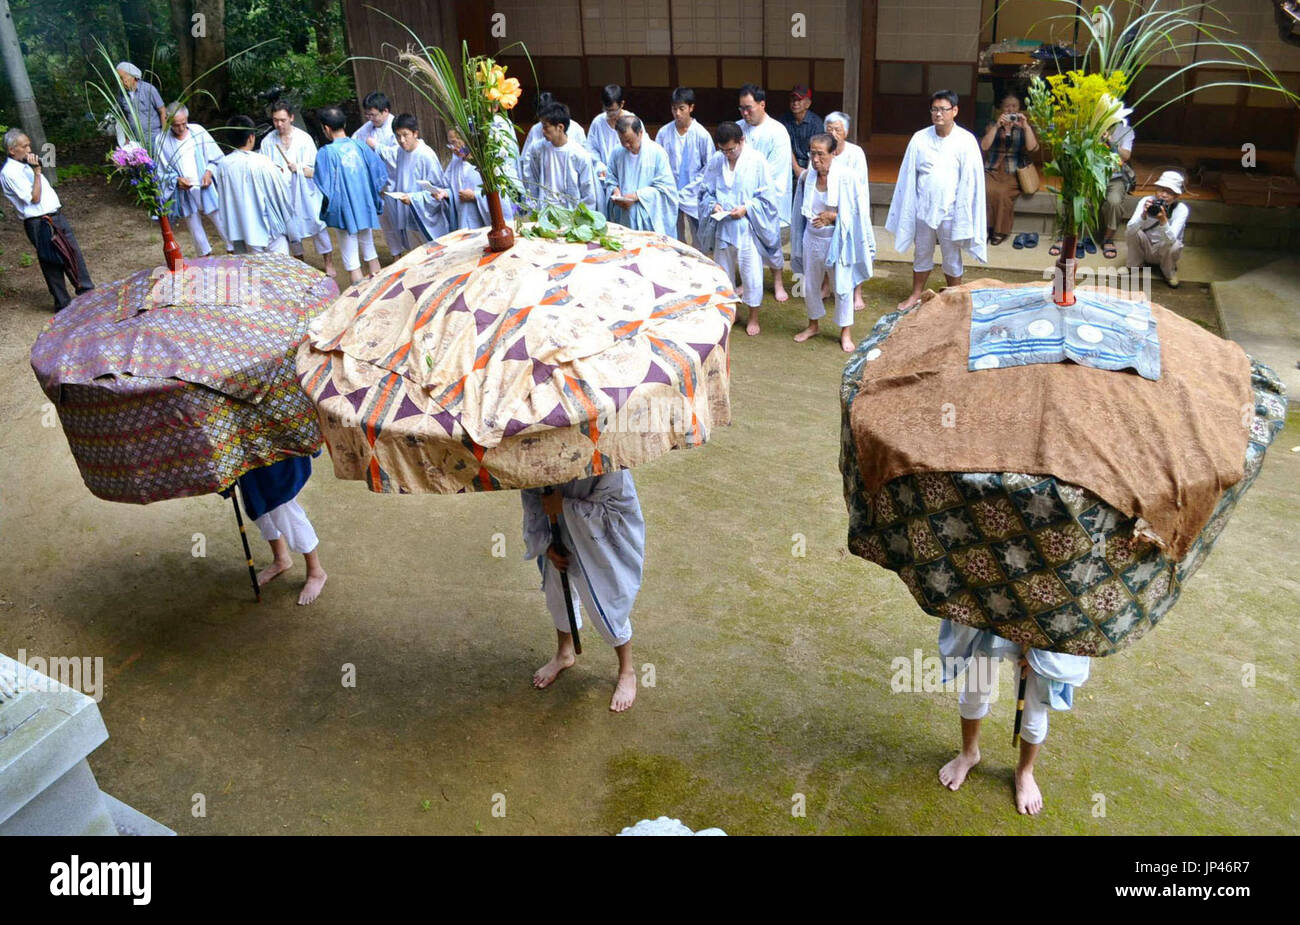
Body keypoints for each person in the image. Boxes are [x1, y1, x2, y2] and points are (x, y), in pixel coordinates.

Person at [935, 621, 1089, 816]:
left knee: (1032, 711)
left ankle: (1025, 770)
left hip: (1043, 628)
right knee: (976, 690)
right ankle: (968, 753)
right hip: (990, 612)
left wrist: (1044, 653)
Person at [522, 472, 644, 713]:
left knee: (610, 601)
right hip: (556, 531)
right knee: (558, 594)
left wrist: (564, 506)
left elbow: (618, 511)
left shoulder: (608, 460)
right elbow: (532, 500)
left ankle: (627, 670)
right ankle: (564, 653)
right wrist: (546, 546)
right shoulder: (533, 459)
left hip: (599, 543)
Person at [885, 90, 987, 311]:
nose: (938, 114)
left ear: (955, 111)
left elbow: (971, 181)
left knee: (951, 255)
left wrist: (964, 209)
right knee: (921, 252)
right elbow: (908, 175)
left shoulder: (966, 141)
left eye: (943, 109)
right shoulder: (920, 138)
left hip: (952, 209)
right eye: (934, 109)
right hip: (924, 207)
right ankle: (916, 294)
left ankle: (954, 297)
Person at [697, 121, 782, 337]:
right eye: (723, 150)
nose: (727, 154)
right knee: (722, 273)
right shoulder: (717, 160)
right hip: (722, 223)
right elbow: (705, 191)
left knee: (751, 273)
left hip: (746, 226)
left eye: (731, 149)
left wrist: (747, 208)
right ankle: (730, 313)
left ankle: (753, 316)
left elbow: (767, 197)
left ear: (742, 141)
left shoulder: (756, 160)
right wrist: (712, 204)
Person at [790, 133, 874, 352]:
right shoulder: (807, 176)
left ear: (833, 153)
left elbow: (856, 213)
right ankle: (813, 325)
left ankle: (845, 332)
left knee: (843, 286)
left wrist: (832, 217)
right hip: (812, 237)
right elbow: (799, 210)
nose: (815, 159)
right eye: (812, 154)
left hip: (838, 239)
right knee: (810, 284)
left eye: (820, 154)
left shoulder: (848, 177)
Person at [1, 128, 94, 310]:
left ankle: (87, 293)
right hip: (39, 222)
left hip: (54, 215)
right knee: (51, 261)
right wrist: (37, 172)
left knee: (73, 253)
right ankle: (63, 303)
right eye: (24, 146)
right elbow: (34, 198)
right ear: (12, 150)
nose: (29, 149)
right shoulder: (9, 172)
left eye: (29, 145)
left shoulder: (25, 164)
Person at [233, 456, 327, 606]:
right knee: (255, 502)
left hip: (272, 447)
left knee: (283, 508)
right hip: (240, 450)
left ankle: (316, 571)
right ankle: (281, 558)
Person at [313, 105, 388, 284]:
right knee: (370, 250)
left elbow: (324, 185)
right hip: (365, 206)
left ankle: (359, 300)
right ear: (344, 123)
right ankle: (378, 290)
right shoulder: (360, 146)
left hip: (344, 210)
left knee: (351, 258)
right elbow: (379, 174)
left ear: (326, 128)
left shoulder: (326, 153)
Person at [261, 101, 336, 277]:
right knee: (290, 229)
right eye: (275, 120)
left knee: (318, 225)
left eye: (283, 120)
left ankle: (329, 262)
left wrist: (299, 168)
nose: (279, 124)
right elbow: (264, 169)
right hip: (282, 194)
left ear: (292, 118)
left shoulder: (304, 139)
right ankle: (300, 263)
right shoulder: (267, 142)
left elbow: (316, 170)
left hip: (305, 192)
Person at [736, 83, 793, 302]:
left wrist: (755, 197)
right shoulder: (738, 128)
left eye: (749, 107)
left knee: (772, 241)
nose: (745, 113)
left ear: (762, 104)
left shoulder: (777, 131)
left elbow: (775, 172)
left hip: (768, 196)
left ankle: (777, 281)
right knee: (745, 242)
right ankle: (747, 281)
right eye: (741, 108)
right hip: (742, 197)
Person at [155, 103, 231, 257]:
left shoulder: (198, 132)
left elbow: (216, 158)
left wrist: (209, 172)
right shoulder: (161, 140)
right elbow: (160, 172)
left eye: (184, 123)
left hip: (204, 186)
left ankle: (233, 249)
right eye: (176, 125)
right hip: (184, 190)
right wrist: (176, 181)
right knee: (193, 224)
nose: (181, 128)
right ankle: (205, 256)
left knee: (219, 218)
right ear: (169, 122)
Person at [1054, 114, 1134, 260]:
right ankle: (1069, 237)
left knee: (1114, 202)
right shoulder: (1087, 126)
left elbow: (1126, 156)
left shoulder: (1125, 129)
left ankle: (1108, 239)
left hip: (1113, 178)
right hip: (1088, 175)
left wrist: (1111, 142)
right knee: (1076, 200)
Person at [214, 115, 292, 254]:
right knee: (280, 270)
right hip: (269, 229)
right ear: (251, 137)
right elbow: (279, 194)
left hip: (241, 230)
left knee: (254, 272)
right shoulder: (262, 162)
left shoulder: (222, 165)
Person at [822, 111, 870, 310]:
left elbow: (859, 185)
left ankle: (856, 292)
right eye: (829, 129)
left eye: (837, 129)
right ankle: (826, 286)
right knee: (824, 247)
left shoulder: (856, 152)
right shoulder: (821, 150)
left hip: (852, 208)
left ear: (846, 132)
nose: (833, 133)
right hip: (827, 207)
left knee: (854, 249)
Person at [654, 87, 713, 245]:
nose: (677, 113)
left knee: (699, 235)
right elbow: (657, 163)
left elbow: (709, 168)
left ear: (691, 108)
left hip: (695, 192)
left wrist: (692, 188)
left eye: (682, 109)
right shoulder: (663, 133)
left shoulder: (701, 134)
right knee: (673, 233)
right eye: (674, 109)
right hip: (670, 189)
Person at [980, 92, 1038, 246]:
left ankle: (999, 231)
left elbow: (1032, 148)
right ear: (1001, 109)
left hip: (1013, 170)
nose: (1011, 109)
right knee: (985, 190)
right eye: (1007, 106)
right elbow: (984, 146)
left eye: (1014, 106)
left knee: (1003, 193)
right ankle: (985, 228)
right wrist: (997, 126)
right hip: (991, 169)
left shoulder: (1024, 126)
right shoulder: (992, 124)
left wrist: (1025, 127)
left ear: (1019, 109)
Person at [387, 113, 451, 250]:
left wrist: (414, 199)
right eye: (398, 136)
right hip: (408, 211)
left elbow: (438, 190)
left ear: (415, 133)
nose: (402, 140)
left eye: (405, 135)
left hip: (425, 214)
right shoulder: (400, 152)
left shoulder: (426, 155)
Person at [606, 115, 679, 236]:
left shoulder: (657, 153)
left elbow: (665, 189)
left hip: (648, 219)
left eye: (629, 141)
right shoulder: (617, 152)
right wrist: (615, 191)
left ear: (640, 133)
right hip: (624, 217)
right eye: (622, 141)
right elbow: (611, 178)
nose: (626, 145)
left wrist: (637, 196)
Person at [353, 91, 403, 258]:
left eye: (374, 115)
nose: (371, 119)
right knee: (387, 223)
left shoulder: (396, 126)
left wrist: (377, 147)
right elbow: (356, 141)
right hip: (380, 185)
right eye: (368, 115)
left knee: (404, 222)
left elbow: (399, 154)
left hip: (398, 180)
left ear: (385, 111)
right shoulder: (367, 128)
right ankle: (396, 255)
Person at [523, 102, 600, 212]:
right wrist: (534, 209)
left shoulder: (579, 154)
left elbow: (588, 192)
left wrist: (582, 217)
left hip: (571, 213)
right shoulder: (537, 149)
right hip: (544, 211)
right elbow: (533, 181)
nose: (542, 131)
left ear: (560, 127)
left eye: (546, 127)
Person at [1126, 169, 1189, 287]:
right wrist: (1143, 216)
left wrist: (1163, 220)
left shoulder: (1181, 210)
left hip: (1164, 248)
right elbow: (1130, 230)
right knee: (1133, 231)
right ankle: (1133, 266)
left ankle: (1169, 273)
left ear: (1177, 195)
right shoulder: (1146, 201)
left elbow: (1170, 240)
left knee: (1174, 244)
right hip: (1147, 245)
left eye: (1169, 192)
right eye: (1161, 190)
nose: (1163, 195)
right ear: (1156, 190)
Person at [521, 92, 587, 174]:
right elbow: (526, 159)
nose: (543, 130)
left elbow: (584, 161)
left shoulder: (576, 129)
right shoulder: (535, 129)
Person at [586, 84, 629, 196]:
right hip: (603, 178)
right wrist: (601, 167)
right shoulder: (598, 122)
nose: (609, 114)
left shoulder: (631, 121)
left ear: (622, 104)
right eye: (606, 110)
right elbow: (591, 150)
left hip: (628, 178)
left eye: (613, 111)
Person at [778, 85, 824, 185]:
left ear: (808, 103)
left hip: (811, 164)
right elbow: (784, 146)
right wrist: (796, 169)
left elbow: (816, 151)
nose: (795, 103)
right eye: (793, 100)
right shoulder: (783, 120)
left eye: (799, 100)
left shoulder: (816, 123)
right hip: (789, 164)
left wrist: (806, 172)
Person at [113, 61, 166, 145]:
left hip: (155, 138)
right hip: (135, 141)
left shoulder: (149, 89)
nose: (120, 81)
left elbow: (162, 111)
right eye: (118, 78)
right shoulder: (121, 94)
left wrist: (164, 136)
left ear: (133, 76)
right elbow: (124, 117)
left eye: (122, 78)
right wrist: (127, 138)